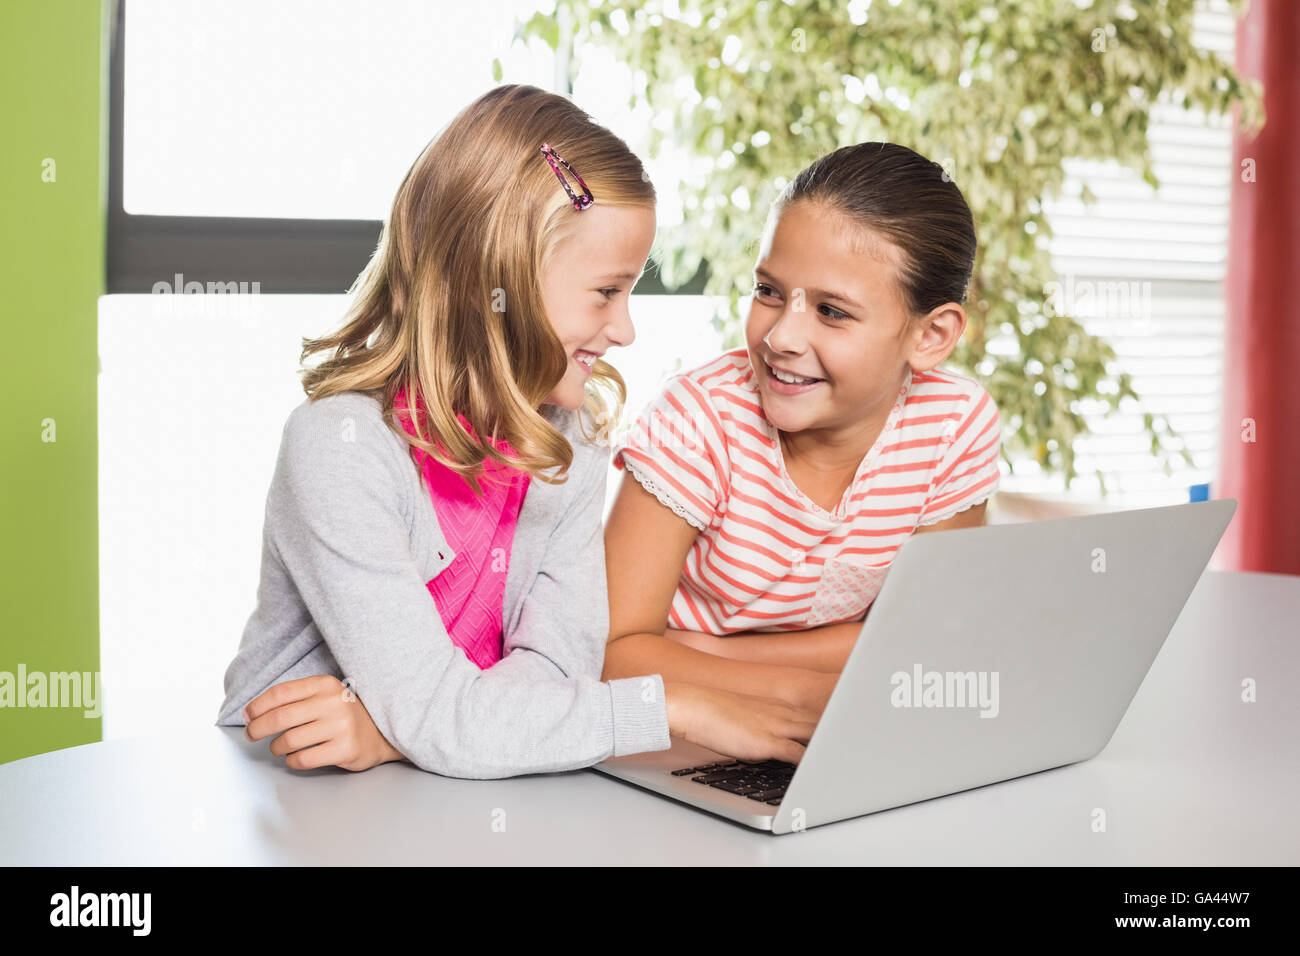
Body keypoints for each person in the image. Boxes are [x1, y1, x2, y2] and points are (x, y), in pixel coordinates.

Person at [215, 84, 816, 778]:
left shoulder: (571, 439)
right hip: (293, 793)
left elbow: (558, 669)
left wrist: (403, 731)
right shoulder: (338, 449)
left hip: (456, 785)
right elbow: (439, 718)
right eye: (606, 292)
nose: (625, 329)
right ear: (494, 283)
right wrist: (670, 706)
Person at [603, 141, 1003, 721]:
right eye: (769, 291)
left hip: (838, 719)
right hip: (684, 727)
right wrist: (804, 690)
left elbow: (925, 643)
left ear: (930, 336)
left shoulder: (953, 426)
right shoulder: (693, 421)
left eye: (831, 311)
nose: (781, 337)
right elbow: (612, 653)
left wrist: (706, 652)